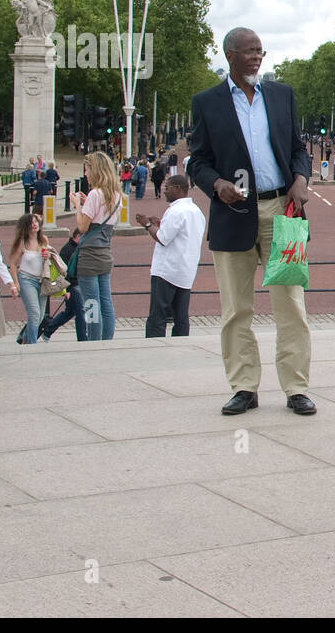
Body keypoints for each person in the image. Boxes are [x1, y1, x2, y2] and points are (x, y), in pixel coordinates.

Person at [188, 27, 316, 416]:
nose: (257, 58)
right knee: (235, 309)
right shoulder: (207, 102)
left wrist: (301, 178)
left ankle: (296, 387)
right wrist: (216, 184)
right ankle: (244, 386)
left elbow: (298, 149)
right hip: (233, 213)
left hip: (282, 213)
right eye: (249, 52)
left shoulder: (281, 96)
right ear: (230, 55)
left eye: (260, 51)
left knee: (291, 306)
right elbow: (197, 160)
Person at [136, 175, 206, 337]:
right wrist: (160, 224)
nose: (164, 191)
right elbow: (183, 235)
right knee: (181, 316)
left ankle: (154, 344)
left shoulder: (175, 210)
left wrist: (146, 224)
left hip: (167, 270)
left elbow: (162, 238)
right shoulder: (196, 211)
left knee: (158, 315)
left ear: (178, 189)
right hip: (186, 271)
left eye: (167, 188)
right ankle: (181, 344)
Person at [71, 151, 122, 340]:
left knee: (91, 303)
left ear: (96, 170)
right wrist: (87, 204)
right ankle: (107, 340)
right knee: (106, 302)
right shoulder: (116, 196)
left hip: (89, 256)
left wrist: (77, 205)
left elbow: (83, 227)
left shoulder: (95, 194)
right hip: (105, 253)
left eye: (87, 169)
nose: (86, 174)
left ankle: (93, 341)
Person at [7, 213, 56, 344]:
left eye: (36, 222)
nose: (34, 225)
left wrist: (47, 256)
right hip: (26, 279)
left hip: (42, 280)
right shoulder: (22, 242)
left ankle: (25, 339)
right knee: (34, 313)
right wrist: (15, 283)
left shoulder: (43, 240)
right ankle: (32, 344)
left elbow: (48, 259)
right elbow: (12, 263)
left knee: (39, 317)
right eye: (31, 223)